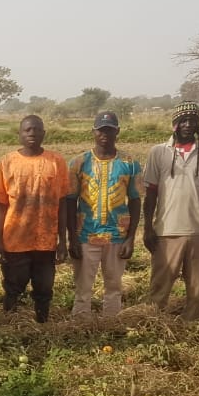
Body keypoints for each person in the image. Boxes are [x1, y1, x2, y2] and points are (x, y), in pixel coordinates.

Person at [142, 103, 199, 321]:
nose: (188, 125)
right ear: (175, 124)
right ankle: (154, 324)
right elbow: (150, 194)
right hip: (167, 230)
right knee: (160, 284)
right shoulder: (158, 152)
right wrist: (147, 227)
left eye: (193, 120)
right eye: (184, 120)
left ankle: (190, 326)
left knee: (196, 287)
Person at [0, 115, 68, 323]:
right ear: (19, 134)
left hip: (46, 241)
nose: (32, 133)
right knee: (13, 287)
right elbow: (0, 202)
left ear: (44, 133)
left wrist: (63, 240)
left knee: (44, 288)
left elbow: (62, 203)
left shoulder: (56, 161)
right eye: (27, 130)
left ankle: (41, 325)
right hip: (15, 239)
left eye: (36, 129)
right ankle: (10, 327)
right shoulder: (7, 162)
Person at [64, 111, 140, 317]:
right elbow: (70, 202)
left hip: (117, 235)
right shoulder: (79, 163)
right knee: (82, 289)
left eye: (110, 130)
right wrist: (72, 238)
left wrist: (131, 238)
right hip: (85, 235)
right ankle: (80, 329)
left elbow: (135, 200)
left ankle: (112, 327)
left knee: (114, 288)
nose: (105, 134)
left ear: (118, 132)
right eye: (101, 130)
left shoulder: (129, 162)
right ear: (93, 132)